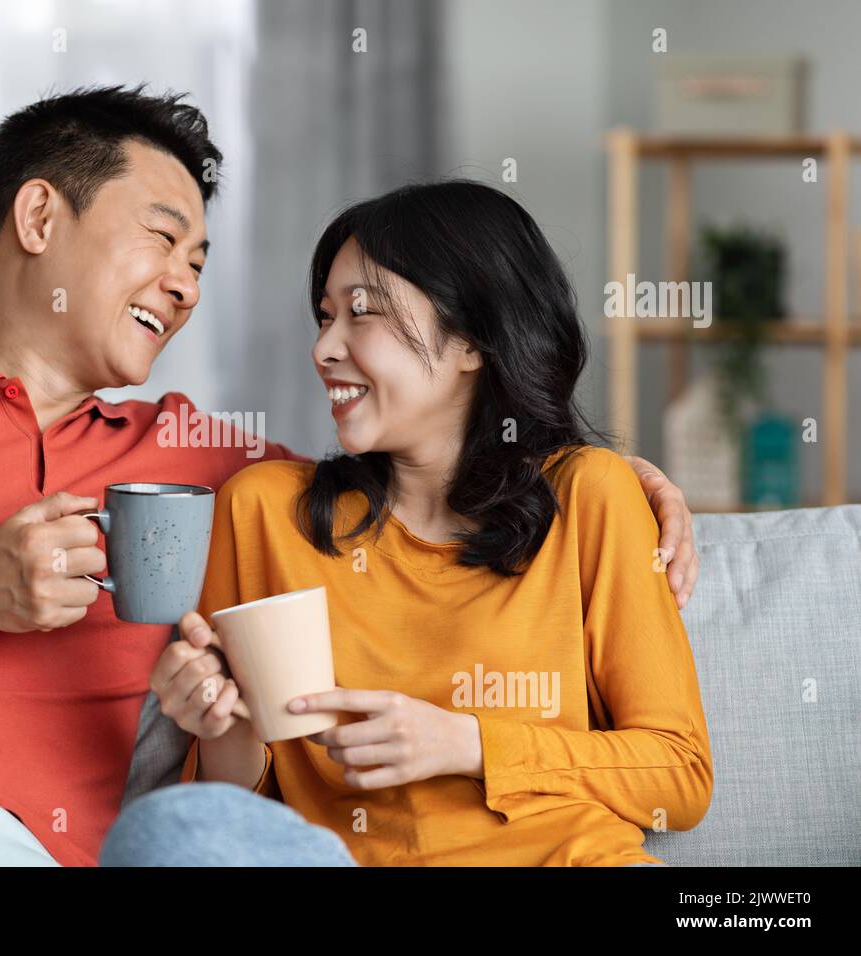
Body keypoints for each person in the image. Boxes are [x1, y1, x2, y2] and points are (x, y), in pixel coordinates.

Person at [0, 88, 697, 868]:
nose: (186, 282)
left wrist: (579, 463)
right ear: (39, 219)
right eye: (163, 237)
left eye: (201, 261)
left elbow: (420, 466)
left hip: (12, 855)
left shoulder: (211, 470)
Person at [112, 180, 712, 866]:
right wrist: (221, 723)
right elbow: (240, 814)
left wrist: (467, 744)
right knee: (167, 835)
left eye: (361, 313)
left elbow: (680, 774)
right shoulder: (264, 512)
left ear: (472, 342)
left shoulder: (590, 496)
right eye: (323, 315)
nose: (324, 348)